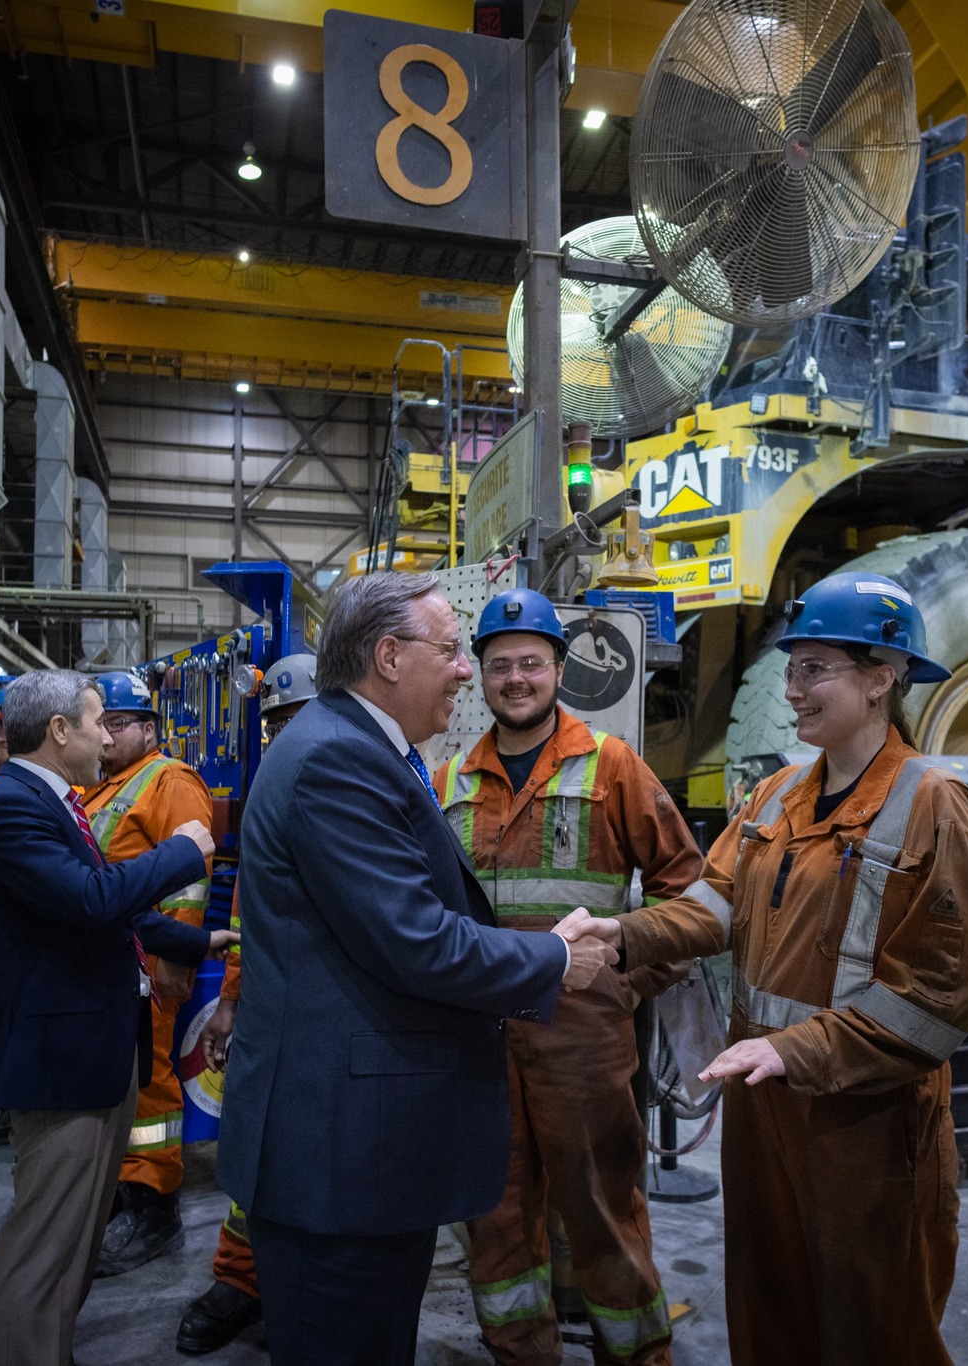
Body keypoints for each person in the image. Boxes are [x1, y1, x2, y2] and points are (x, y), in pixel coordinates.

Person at [585, 571, 968, 1364]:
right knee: (770, 1314)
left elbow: (941, 997)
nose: (793, 688)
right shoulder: (775, 796)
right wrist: (621, 935)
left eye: (816, 668)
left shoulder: (933, 804)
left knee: (873, 1327)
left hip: (865, 1118)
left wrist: (793, 1050)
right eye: (793, 667)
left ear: (883, 677)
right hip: (763, 1107)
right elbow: (712, 908)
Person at [218, 573, 617, 1366]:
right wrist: (554, 959)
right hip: (337, 1159)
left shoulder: (364, 749)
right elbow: (415, 940)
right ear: (390, 657)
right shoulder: (339, 758)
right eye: (450, 650)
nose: (468, 670)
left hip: (359, 1151)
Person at [431, 589, 704, 1365]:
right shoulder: (447, 780)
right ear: (478, 675)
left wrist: (632, 975)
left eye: (531, 663)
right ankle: (522, 1355)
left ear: (559, 669)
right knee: (494, 1214)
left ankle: (638, 1358)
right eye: (499, 665)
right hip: (480, 1042)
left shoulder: (611, 766)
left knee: (603, 1212)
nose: (516, 679)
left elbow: (691, 890)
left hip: (582, 1036)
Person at [0, 669, 233, 1366]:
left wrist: (194, 941)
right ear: (58, 730)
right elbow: (90, 898)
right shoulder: (9, 808)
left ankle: (52, 1349)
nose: (102, 737)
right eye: (94, 723)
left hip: (97, 1050)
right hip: (62, 1061)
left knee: (76, 1236)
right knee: (44, 1244)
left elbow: (114, 910)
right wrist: (186, 850)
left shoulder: (59, 801)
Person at [178, 650, 316, 1356]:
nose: (287, 734)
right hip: (271, 1013)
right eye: (277, 724)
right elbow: (254, 917)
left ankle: (297, 1291)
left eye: (300, 717)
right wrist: (231, 1001)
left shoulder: (378, 779)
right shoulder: (271, 795)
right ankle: (241, 1280)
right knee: (254, 1152)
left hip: (336, 1024)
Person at [82, 670, 214, 1278]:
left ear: (147, 729)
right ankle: (119, 1193)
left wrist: (174, 958)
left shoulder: (169, 781)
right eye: (98, 725)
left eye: (116, 725)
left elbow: (190, 874)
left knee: (152, 1086)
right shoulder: (105, 788)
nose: (105, 738)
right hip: (111, 963)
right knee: (122, 1081)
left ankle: (154, 1205)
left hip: (149, 960)